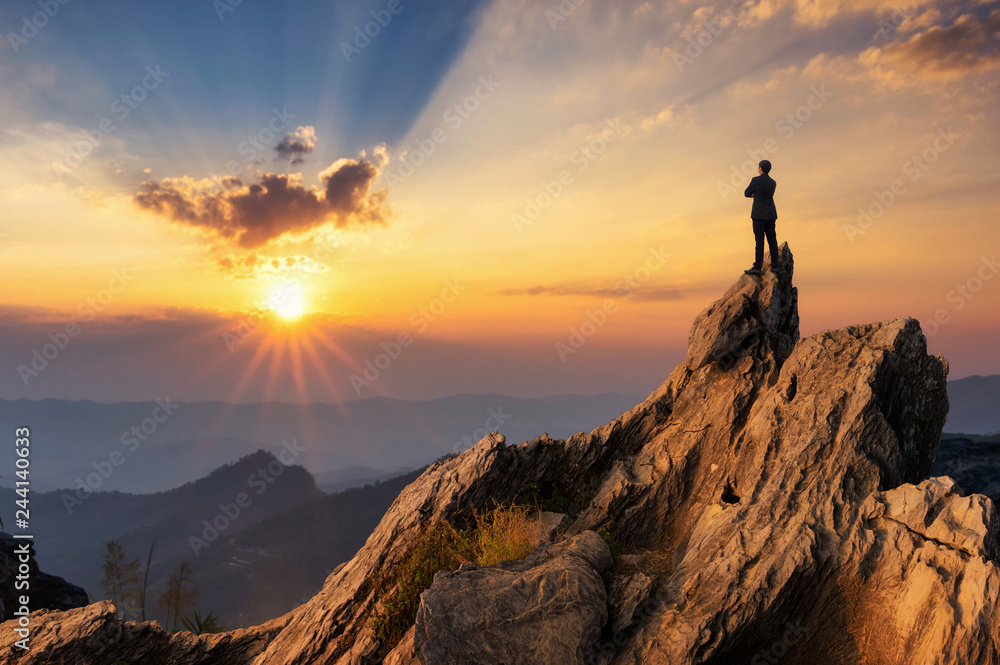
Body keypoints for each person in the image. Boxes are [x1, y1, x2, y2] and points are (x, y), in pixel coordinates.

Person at [743, 160, 779, 276]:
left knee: (759, 241)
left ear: (760, 168)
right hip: (770, 214)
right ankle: (775, 265)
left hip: (758, 215)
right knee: (772, 240)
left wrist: (754, 194)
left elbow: (746, 193)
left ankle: (757, 267)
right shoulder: (773, 183)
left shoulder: (756, 180)